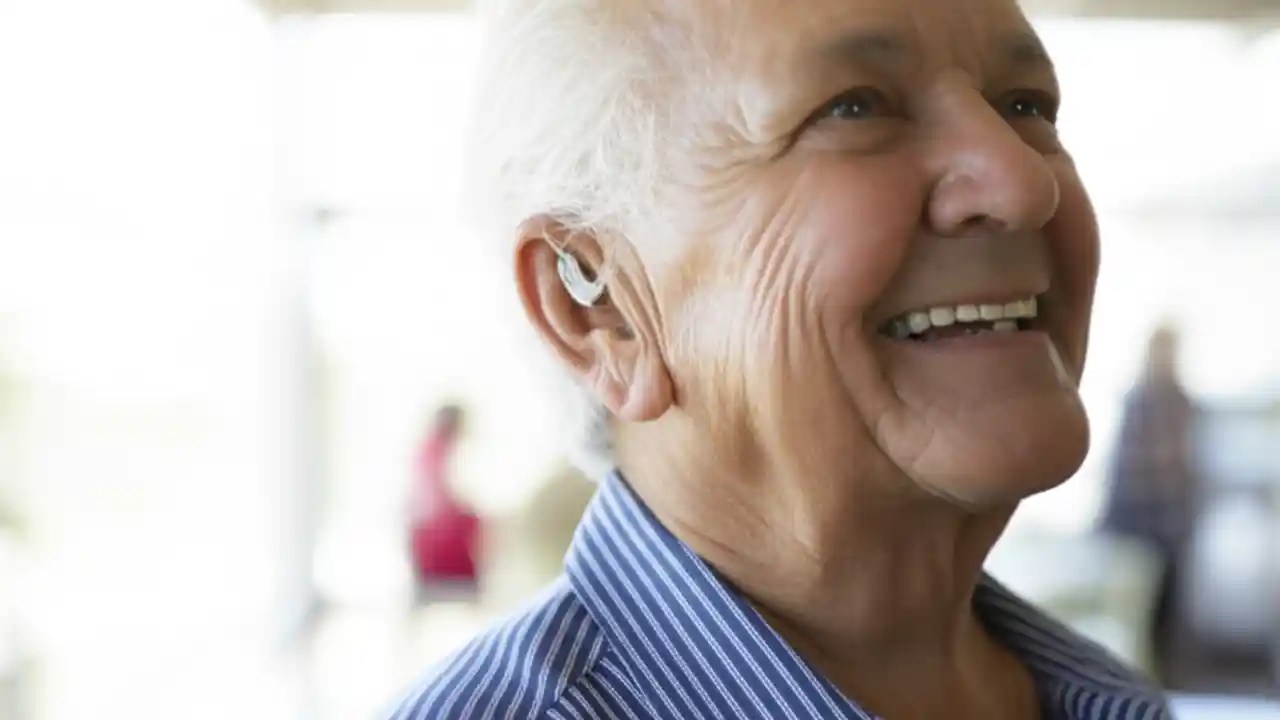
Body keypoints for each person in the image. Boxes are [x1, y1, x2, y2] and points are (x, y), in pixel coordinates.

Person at [390, 0, 1171, 717]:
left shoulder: (1111, 702)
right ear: (602, 312)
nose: (1024, 181)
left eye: (1025, 106)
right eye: (854, 106)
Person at [1100, 324, 1199, 678]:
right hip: (1133, 518)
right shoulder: (1139, 398)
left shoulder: (1183, 400)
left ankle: (1164, 675)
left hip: (1168, 522)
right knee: (1132, 604)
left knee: (1166, 609)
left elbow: (1187, 464)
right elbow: (1127, 464)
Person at [407, 404, 480, 600]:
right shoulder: (433, 450)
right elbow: (435, 498)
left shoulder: (434, 449)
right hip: (434, 536)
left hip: (429, 532)